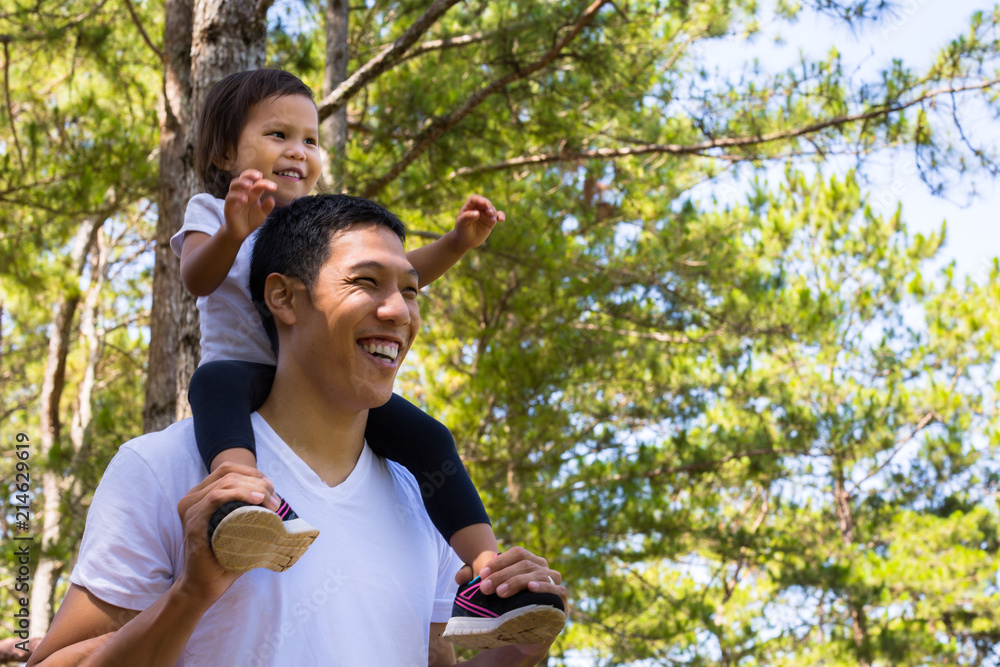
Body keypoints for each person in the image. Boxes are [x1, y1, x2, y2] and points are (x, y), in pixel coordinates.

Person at [27, 194, 568, 666]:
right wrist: (191, 595)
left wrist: (519, 653)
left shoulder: (423, 495)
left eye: (410, 290)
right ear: (284, 297)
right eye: (366, 282)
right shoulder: (162, 467)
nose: (400, 311)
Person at [163, 68, 549, 643]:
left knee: (430, 440)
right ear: (224, 150)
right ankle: (243, 498)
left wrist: (457, 243)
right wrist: (231, 233)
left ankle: (488, 578)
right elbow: (196, 279)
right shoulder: (212, 209)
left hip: (323, 385)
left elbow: (397, 278)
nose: (297, 151)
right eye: (278, 135)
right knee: (213, 383)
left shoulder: (321, 228)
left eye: (310, 140)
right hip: (245, 378)